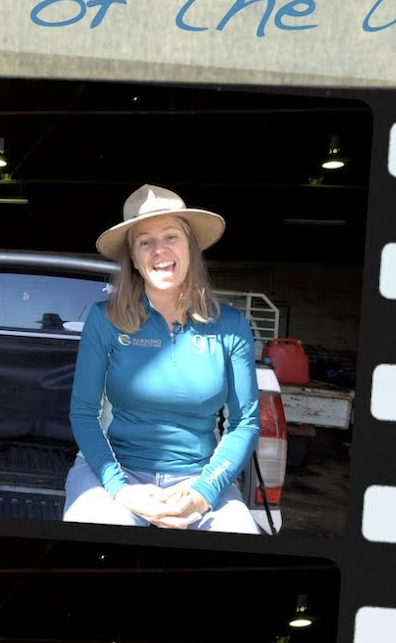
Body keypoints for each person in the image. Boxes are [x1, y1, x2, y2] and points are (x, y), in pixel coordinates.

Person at [63, 183, 261, 533]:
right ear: (135, 261)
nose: (160, 250)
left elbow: (244, 421)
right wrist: (120, 489)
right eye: (145, 242)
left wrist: (204, 492)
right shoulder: (104, 319)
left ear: (190, 248)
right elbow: (83, 412)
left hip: (199, 477)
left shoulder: (231, 326)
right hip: (115, 472)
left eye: (171, 236)